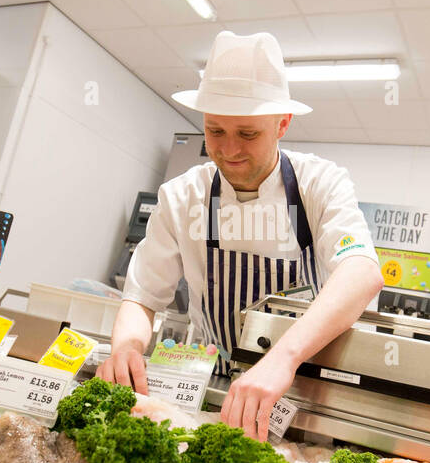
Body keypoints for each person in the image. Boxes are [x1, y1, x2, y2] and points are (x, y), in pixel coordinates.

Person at [98, 31, 383, 439]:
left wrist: (282, 359)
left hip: (299, 389)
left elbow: (361, 272)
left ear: (283, 123)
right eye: (215, 132)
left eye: (248, 134)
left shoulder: (320, 183)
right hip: (209, 385)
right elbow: (143, 297)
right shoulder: (182, 196)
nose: (230, 149)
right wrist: (126, 349)